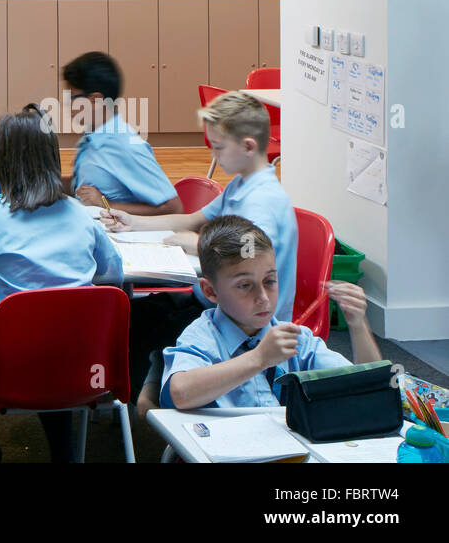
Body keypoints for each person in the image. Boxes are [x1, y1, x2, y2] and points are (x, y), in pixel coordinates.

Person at [0, 105, 123, 462]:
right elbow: (113, 278)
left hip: (10, 368)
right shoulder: (81, 216)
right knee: (59, 337)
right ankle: (64, 454)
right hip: (79, 363)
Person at [104, 89, 298, 398]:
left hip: (239, 313)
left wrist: (195, 243)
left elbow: (248, 258)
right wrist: (134, 221)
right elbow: (194, 218)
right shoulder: (243, 184)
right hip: (219, 299)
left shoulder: (261, 201)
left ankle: (134, 402)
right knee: (135, 316)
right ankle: (143, 392)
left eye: (219, 148)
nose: (214, 157)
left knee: (135, 324)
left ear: (248, 146)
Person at [157, 215, 379, 410]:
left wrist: (359, 326)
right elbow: (180, 393)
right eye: (245, 285)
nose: (263, 297)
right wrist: (259, 358)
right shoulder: (203, 336)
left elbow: (369, 388)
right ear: (210, 291)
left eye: (270, 281)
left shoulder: (295, 340)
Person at [62, 51, 181, 216]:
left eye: (72, 96)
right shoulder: (93, 137)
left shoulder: (123, 144)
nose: (67, 103)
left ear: (95, 99)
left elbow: (173, 208)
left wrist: (106, 204)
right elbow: (82, 189)